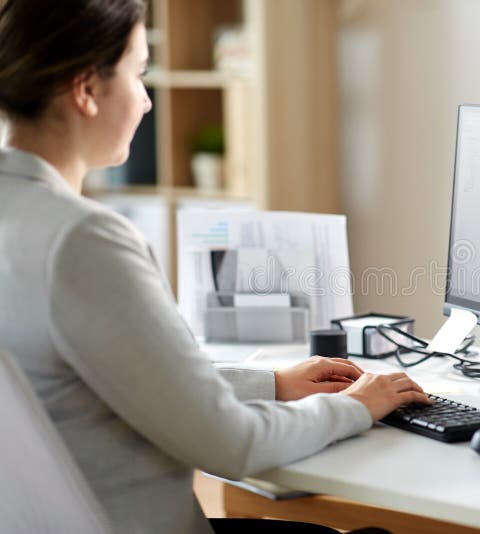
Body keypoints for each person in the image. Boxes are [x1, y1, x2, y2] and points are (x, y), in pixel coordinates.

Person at [0, 1, 430, 532]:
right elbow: (233, 444)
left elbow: (127, 376)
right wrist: (359, 405)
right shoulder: (82, 239)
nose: (146, 101)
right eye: (138, 74)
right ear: (86, 90)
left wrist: (271, 383)